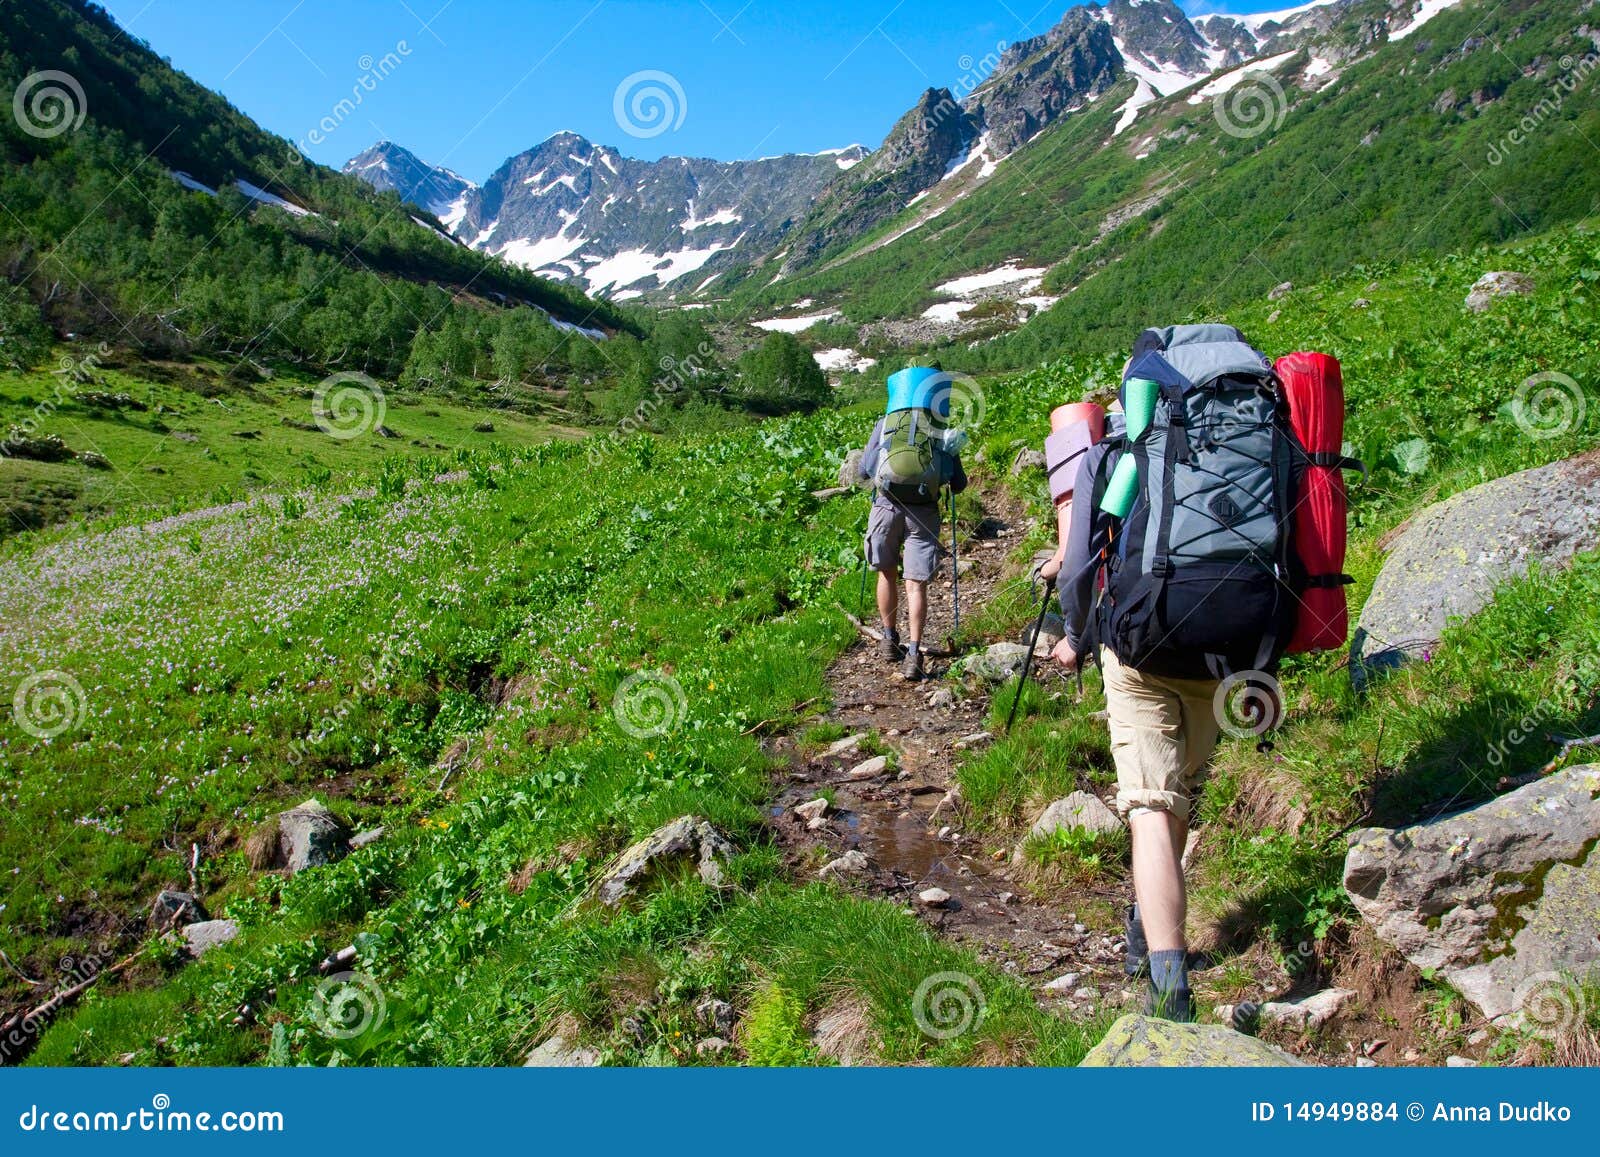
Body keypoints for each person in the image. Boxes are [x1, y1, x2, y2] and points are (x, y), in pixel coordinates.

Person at [1048, 420, 1217, 1024]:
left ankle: (1169, 988)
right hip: (1227, 641)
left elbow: (1077, 565)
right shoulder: (1237, 438)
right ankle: (1148, 928)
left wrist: (1076, 636)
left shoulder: (1115, 454)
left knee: (1150, 804)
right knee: (1179, 792)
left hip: (1140, 645)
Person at [856, 403, 967, 682]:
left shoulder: (887, 422)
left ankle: (889, 639)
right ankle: (915, 654)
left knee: (887, 573)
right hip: (923, 513)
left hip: (885, 507)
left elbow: (864, 471)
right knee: (915, 584)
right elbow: (959, 483)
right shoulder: (940, 428)